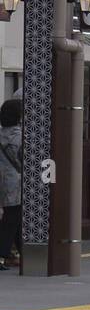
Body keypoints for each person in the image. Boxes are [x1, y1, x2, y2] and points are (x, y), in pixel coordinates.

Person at [0, 97, 22, 271]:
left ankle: (18, 253)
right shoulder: (20, 137)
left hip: (1, 179)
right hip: (15, 182)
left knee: (14, 218)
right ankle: (2, 254)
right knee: (12, 218)